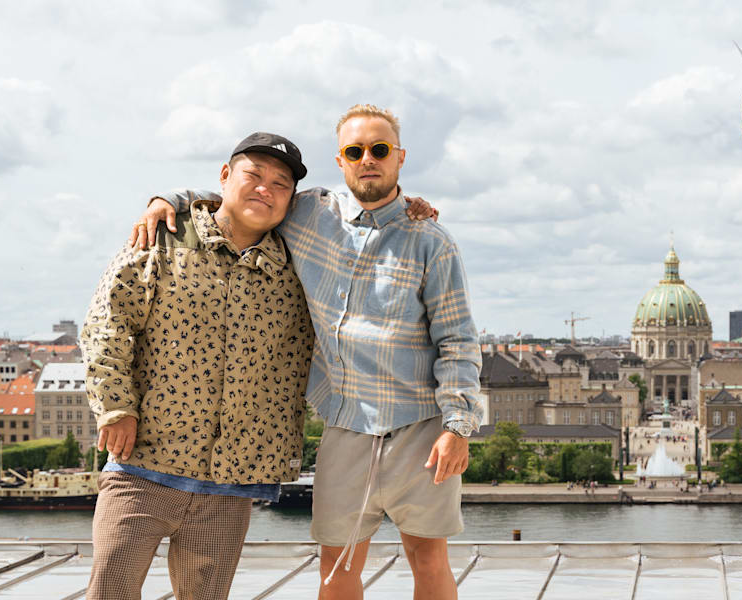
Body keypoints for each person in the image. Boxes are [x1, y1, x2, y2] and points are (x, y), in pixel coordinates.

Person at [132, 104, 482, 600]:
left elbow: (458, 341)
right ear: (340, 161)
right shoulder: (310, 213)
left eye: (379, 150)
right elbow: (245, 197)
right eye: (354, 151)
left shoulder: (432, 242)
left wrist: (457, 427)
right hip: (345, 423)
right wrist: (168, 199)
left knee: (428, 559)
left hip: (420, 426)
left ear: (399, 158)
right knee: (335, 567)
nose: (368, 159)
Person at [81, 132, 317, 600]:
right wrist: (115, 408)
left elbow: (355, 210)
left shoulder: (295, 268)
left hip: (230, 482)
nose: (265, 189)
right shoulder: (162, 241)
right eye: (254, 175)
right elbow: (106, 323)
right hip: (142, 466)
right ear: (225, 177)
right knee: (109, 593)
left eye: (280, 183)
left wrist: (409, 206)